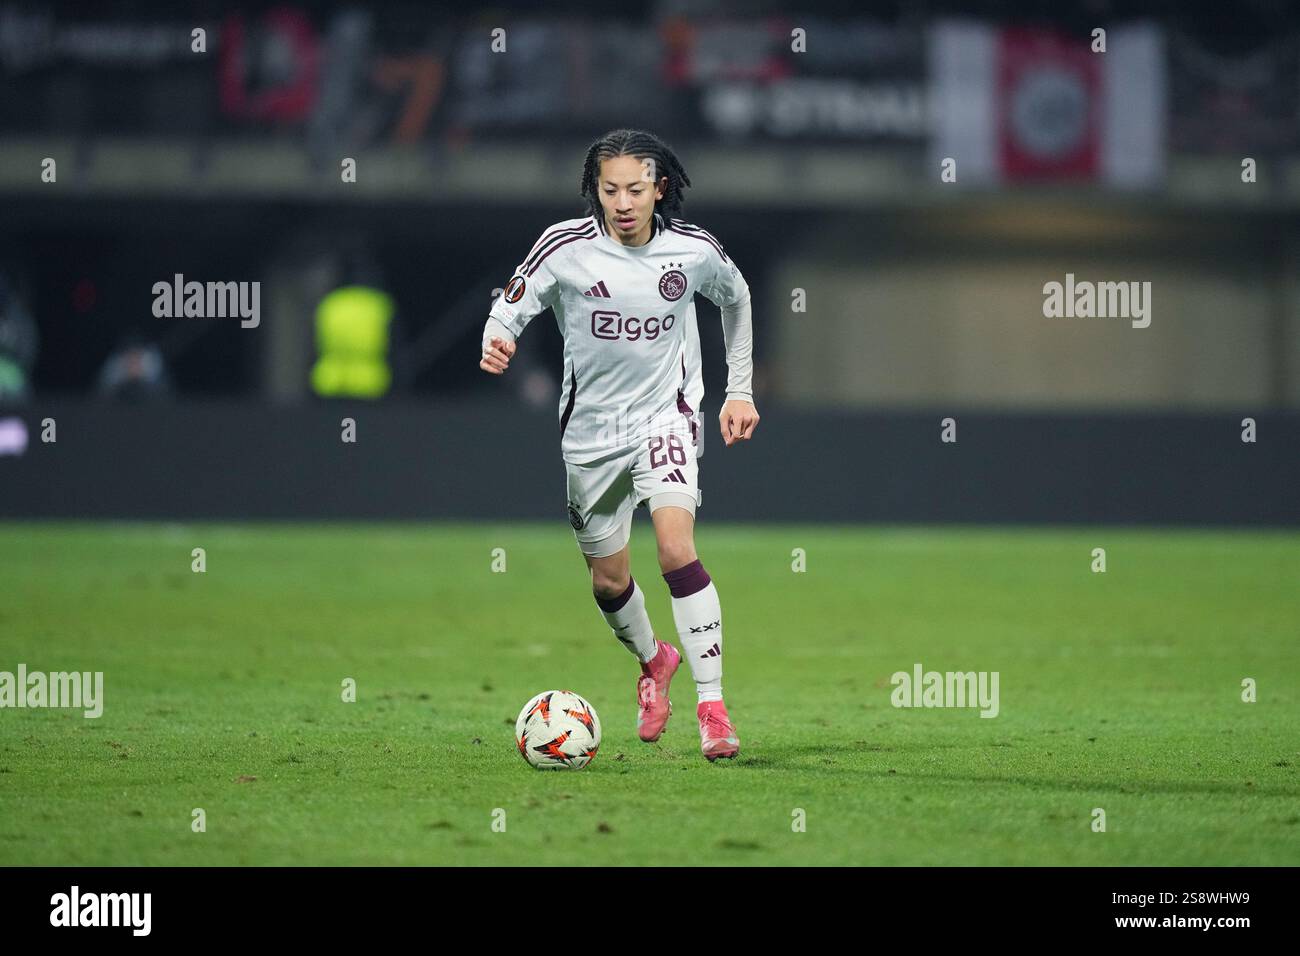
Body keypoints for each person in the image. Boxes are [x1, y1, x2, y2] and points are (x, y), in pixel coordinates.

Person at [479, 129, 759, 761]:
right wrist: (497, 337)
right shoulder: (564, 249)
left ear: (660, 189)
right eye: (611, 190)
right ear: (596, 191)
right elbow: (511, 304)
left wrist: (737, 390)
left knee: (673, 545)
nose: (624, 202)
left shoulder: (692, 252)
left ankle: (712, 707)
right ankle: (654, 660)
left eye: (636, 189)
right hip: (591, 435)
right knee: (609, 582)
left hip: (668, 417)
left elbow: (736, 299)